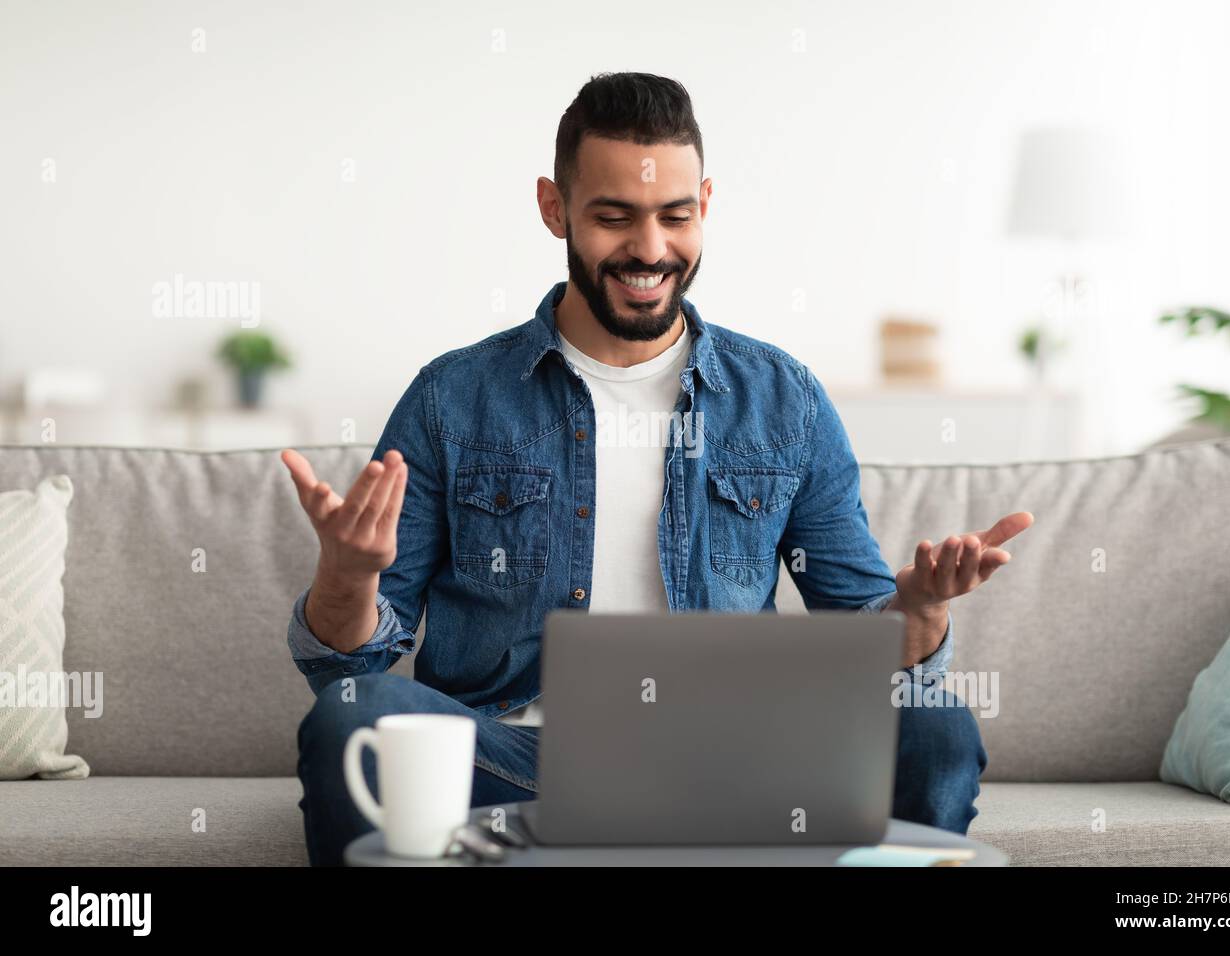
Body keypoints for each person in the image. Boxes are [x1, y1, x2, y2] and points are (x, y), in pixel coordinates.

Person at [281, 71, 1032, 866]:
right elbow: (344, 668)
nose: (649, 250)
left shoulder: (785, 401)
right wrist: (348, 577)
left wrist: (917, 611)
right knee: (353, 713)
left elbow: (863, 650)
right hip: (518, 765)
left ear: (705, 204)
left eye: (675, 217)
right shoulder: (453, 398)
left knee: (933, 721)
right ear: (554, 207)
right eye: (613, 217)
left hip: (738, 764)